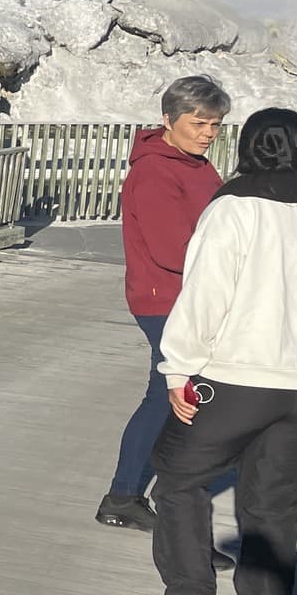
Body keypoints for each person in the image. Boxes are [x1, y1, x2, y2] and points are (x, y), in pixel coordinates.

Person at [137, 108, 297, 595]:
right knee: (273, 500)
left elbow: (204, 297)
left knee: (177, 477)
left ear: (247, 146)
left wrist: (179, 369)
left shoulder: (232, 208)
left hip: (239, 376)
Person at [97, 76, 230, 534]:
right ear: (169, 120)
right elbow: (171, 250)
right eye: (199, 123)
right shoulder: (155, 170)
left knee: (175, 392)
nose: (208, 132)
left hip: (190, 297)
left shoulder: (197, 165)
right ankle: (129, 495)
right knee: (170, 393)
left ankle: (132, 493)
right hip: (164, 298)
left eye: (215, 124)